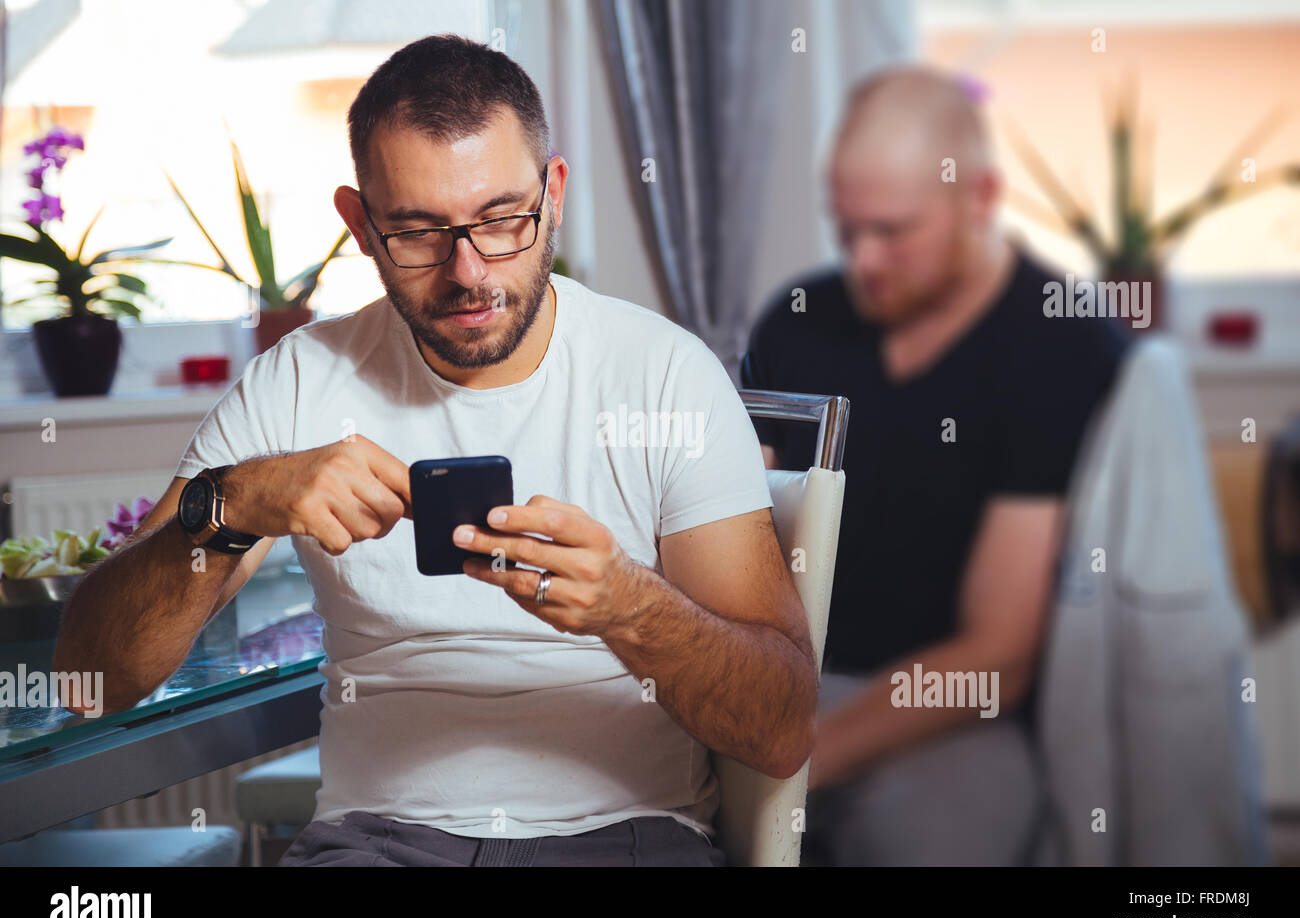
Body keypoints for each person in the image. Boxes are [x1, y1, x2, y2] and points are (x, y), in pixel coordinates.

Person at [53, 34, 817, 867]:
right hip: (377, 845)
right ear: (359, 226)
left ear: (553, 194)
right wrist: (233, 505)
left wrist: (629, 607)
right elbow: (88, 688)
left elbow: (781, 732)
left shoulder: (666, 376)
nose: (468, 272)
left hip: (626, 840)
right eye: (418, 232)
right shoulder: (298, 384)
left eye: (501, 221)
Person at [740, 66, 1132, 865]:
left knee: (928, 838)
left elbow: (1000, 654)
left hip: (960, 715)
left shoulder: (1058, 346)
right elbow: (741, 537)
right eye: (846, 231)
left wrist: (804, 756)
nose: (865, 260)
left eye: (892, 231)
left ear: (981, 197)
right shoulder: (799, 319)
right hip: (791, 677)